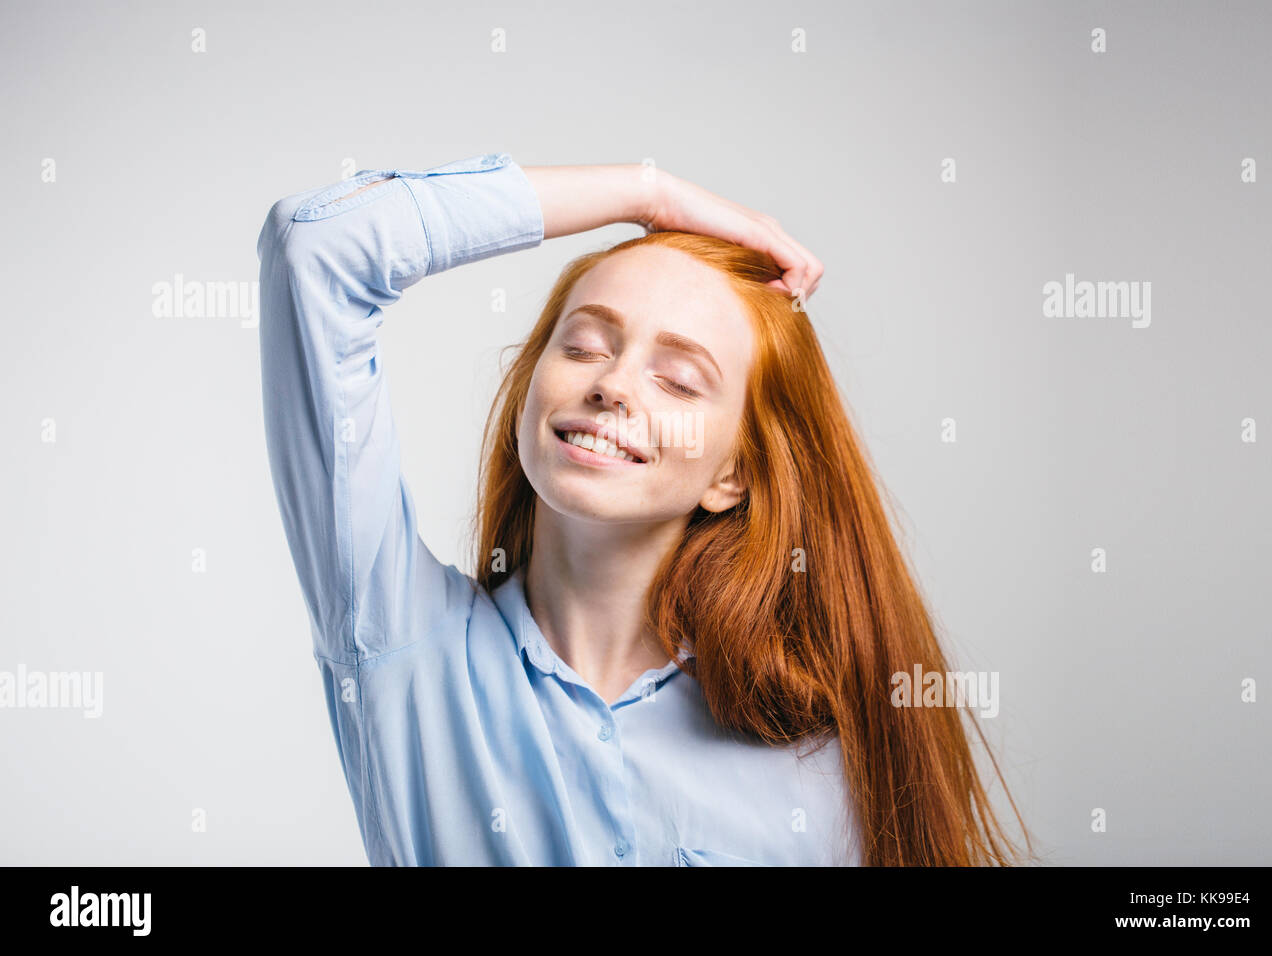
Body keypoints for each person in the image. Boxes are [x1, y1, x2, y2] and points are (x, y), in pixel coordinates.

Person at [256, 151, 1034, 865]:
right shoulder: (402, 648)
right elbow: (317, 248)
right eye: (587, 345)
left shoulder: (815, 757)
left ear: (732, 474)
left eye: (678, 380)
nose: (614, 385)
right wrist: (645, 191)